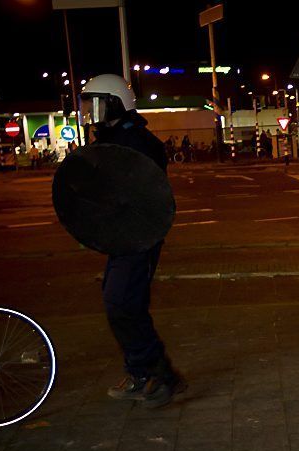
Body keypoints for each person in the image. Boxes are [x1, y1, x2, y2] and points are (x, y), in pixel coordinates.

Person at [80, 73, 185, 409]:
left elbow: (144, 194)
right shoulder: (109, 139)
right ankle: (148, 372)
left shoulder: (140, 143)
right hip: (121, 238)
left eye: (93, 102)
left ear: (111, 103)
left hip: (139, 237)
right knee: (123, 303)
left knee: (122, 303)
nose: (88, 110)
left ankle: (157, 374)